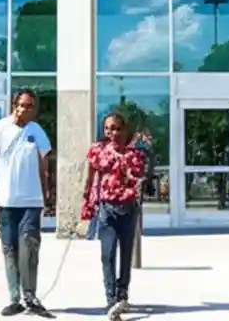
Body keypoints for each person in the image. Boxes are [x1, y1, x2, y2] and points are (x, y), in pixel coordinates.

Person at [0, 89, 54, 318]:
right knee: (10, 249)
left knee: (29, 247)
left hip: (31, 200)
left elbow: (43, 166)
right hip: (5, 200)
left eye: (30, 106)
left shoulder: (37, 131)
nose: (25, 109)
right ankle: (14, 298)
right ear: (14, 105)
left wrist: (47, 192)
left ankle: (30, 295)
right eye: (22, 104)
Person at [82, 112, 147, 320]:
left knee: (126, 254)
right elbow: (90, 178)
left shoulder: (135, 154)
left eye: (117, 128)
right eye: (109, 128)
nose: (113, 132)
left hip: (128, 208)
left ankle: (122, 294)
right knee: (107, 255)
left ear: (125, 130)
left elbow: (138, 177)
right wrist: (87, 203)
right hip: (106, 208)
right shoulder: (97, 151)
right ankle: (111, 299)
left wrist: (128, 164)